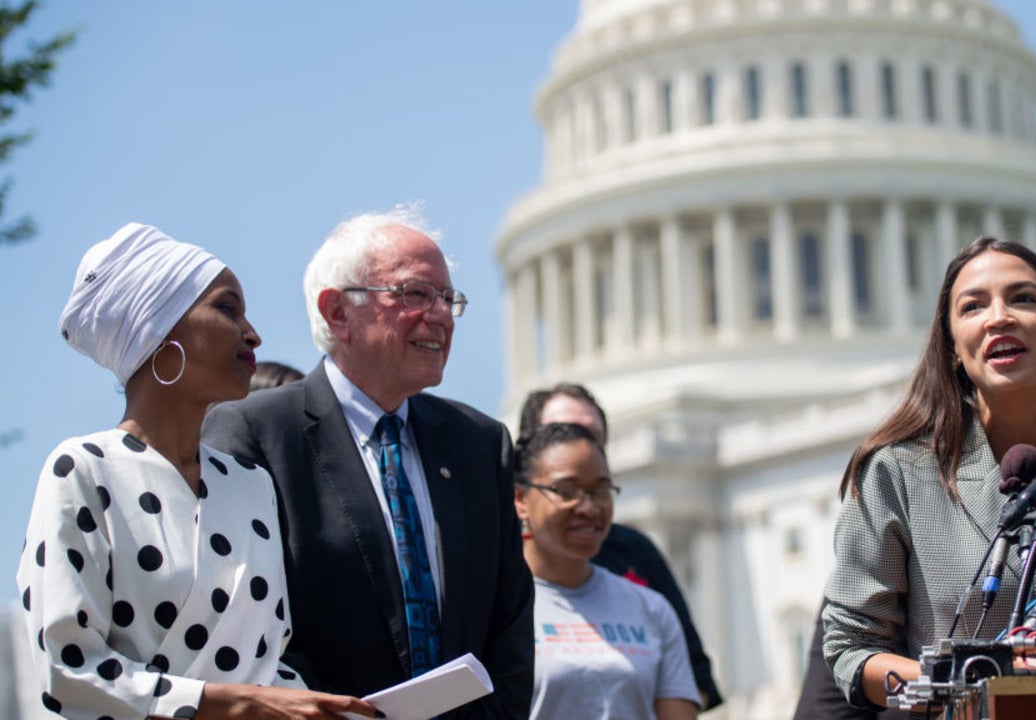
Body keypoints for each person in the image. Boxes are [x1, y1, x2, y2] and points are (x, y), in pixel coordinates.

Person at [17, 223, 377, 720]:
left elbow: (266, 667)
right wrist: (238, 703)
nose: (253, 333)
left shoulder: (251, 485)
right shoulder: (82, 470)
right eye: (227, 309)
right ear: (158, 331)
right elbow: (69, 672)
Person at [203, 208, 534, 715]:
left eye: (447, 298)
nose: (440, 315)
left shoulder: (479, 444)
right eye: (415, 294)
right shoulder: (255, 435)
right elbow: (243, 623)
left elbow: (509, 626)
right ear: (338, 312)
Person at [822, 236, 1036, 712]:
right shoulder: (898, 470)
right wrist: (973, 678)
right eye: (973, 306)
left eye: (1023, 298)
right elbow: (851, 648)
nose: (999, 317)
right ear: (953, 348)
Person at [517, 383, 724, 711]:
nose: (586, 507)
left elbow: (693, 679)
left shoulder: (646, 591)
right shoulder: (491, 593)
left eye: (592, 438)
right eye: (566, 490)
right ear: (521, 496)